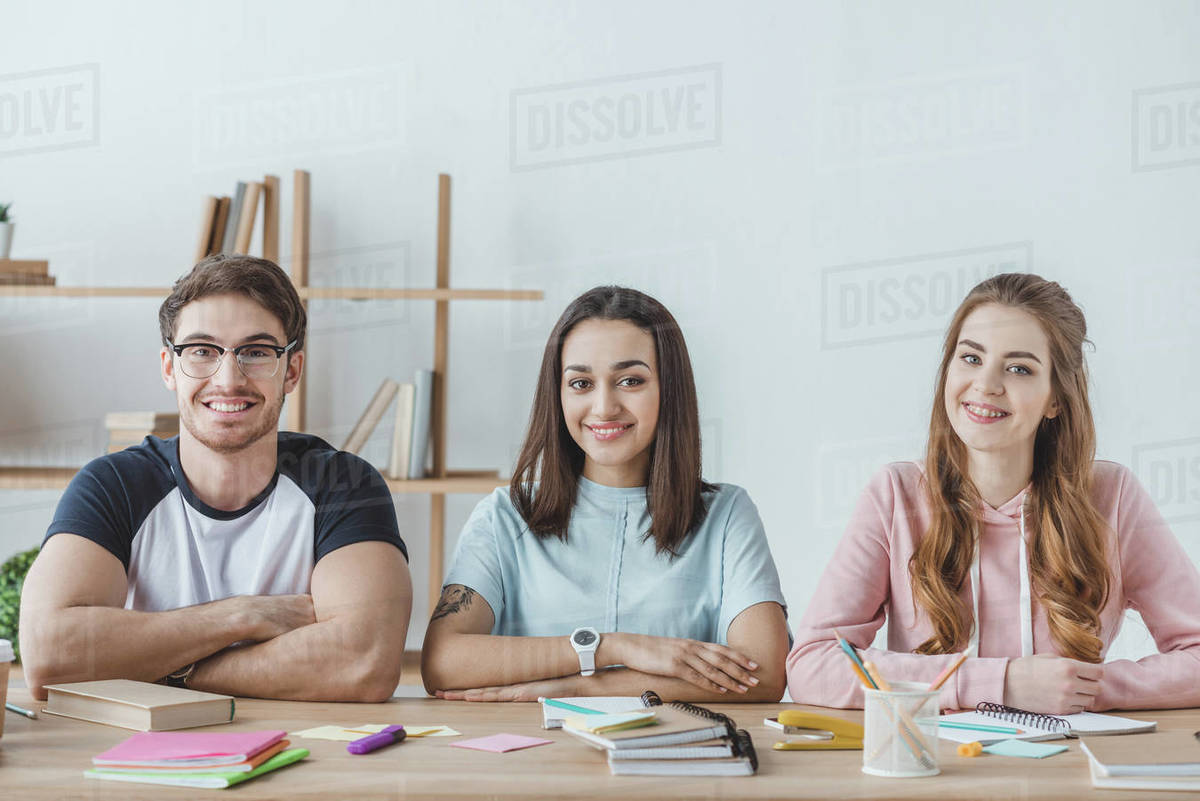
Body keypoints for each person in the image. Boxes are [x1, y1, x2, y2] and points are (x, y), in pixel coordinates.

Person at [787, 273, 1200, 714]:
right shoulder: (895, 495)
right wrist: (998, 683)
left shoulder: (1112, 496)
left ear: (1055, 400)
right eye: (970, 358)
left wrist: (1080, 689)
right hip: (936, 773)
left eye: (1019, 368)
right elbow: (814, 665)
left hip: (1067, 773)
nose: (986, 384)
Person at [19, 255, 412, 702]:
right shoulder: (113, 485)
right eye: (202, 351)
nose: (228, 379)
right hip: (146, 755)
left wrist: (167, 670)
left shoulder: (343, 483)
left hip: (311, 755)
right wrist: (240, 616)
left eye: (257, 352)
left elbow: (365, 663)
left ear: (293, 370)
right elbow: (49, 655)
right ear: (170, 367)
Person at [422, 286, 789, 701]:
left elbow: (765, 674)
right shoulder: (503, 516)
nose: (603, 407)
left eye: (630, 380)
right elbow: (442, 663)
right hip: (535, 757)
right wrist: (611, 647)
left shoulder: (727, 515)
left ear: (669, 388)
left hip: (674, 756)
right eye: (580, 383)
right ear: (557, 394)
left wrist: (575, 685)